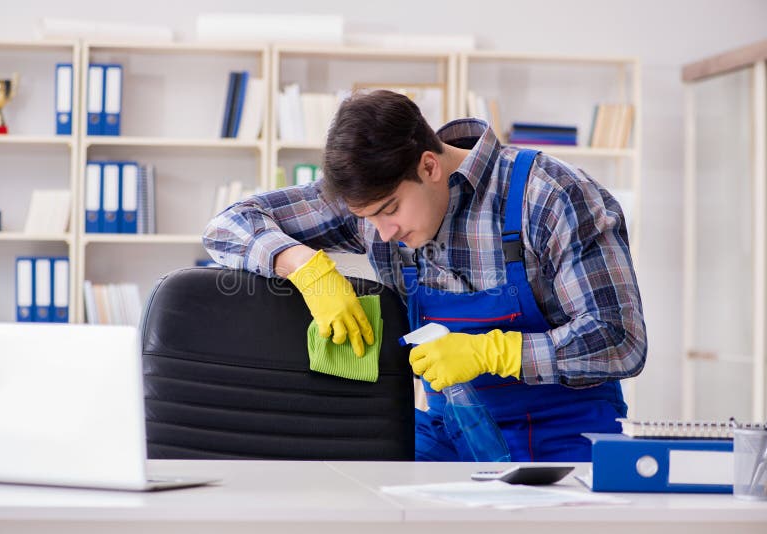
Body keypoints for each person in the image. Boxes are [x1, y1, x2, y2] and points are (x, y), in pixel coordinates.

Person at [203, 90, 647, 462]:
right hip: (451, 432)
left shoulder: (550, 194)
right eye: (368, 218)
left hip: (566, 436)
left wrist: (496, 351)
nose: (383, 232)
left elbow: (621, 341)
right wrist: (306, 267)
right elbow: (227, 226)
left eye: (390, 210)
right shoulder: (373, 202)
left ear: (429, 166)